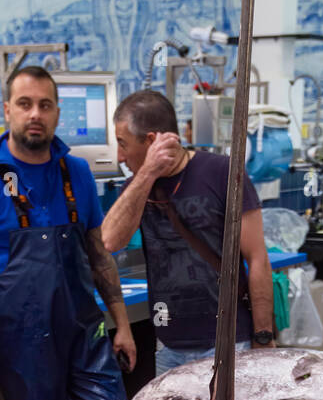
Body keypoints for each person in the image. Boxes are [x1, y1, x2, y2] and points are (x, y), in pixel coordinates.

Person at [0, 66, 134, 400]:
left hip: (86, 338)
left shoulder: (77, 172)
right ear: (7, 110)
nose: (36, 113)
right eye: (25, 104)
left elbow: (98, 255)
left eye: (45, 105)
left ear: (57, 113)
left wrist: (122, 324)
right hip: (22, 349)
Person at [101, 90, 275, 374]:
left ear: (151, 141)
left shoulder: (223, 173)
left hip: (228, 343)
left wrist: (263, 336)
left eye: (123, 144)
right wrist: (147, 173)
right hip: (169, 345)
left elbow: (257, 259)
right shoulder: (137, 186)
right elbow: (109, 240)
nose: (120, 156)